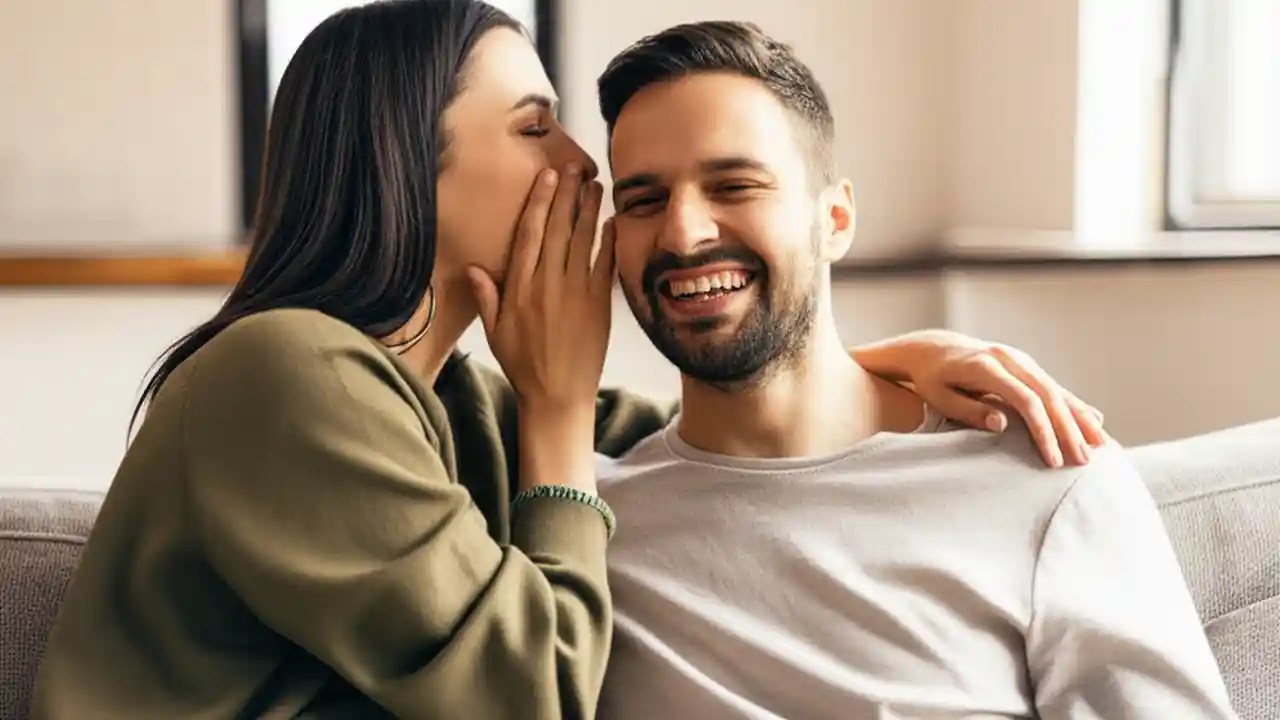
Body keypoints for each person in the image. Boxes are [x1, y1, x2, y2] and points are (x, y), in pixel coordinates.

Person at [32, 3, 1104, 719]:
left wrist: (900, 366)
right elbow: (530, 693)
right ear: (409, 160)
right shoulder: (282, 374)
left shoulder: (445, 398)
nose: (583, 163)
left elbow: (712, 431)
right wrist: (551, 417)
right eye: (534, 126)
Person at [591, 20, 1237, 720]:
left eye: (735, 185)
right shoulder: (590, 526)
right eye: (643, 201)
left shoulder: (1048, 479)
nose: (683, 233)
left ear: (835, 219)